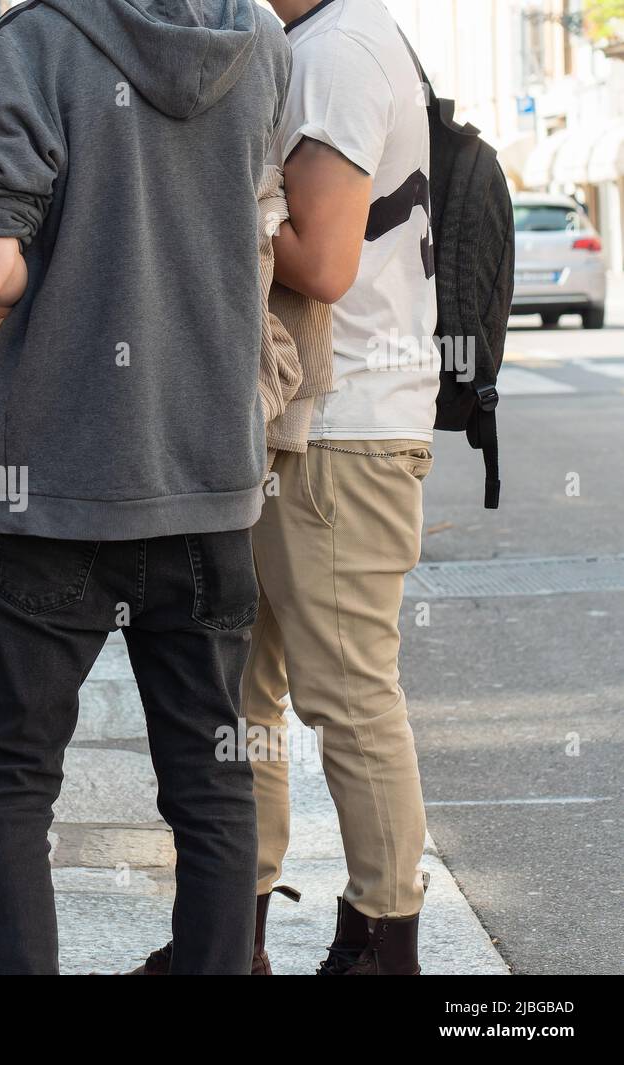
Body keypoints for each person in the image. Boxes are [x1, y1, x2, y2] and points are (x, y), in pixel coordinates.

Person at [0, 0, 290, 974]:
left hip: (55, 472)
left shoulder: (32, 38)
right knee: (212, 779)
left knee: (13, 777)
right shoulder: (258, 39)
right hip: (207, 469)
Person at [246, 0, 439, 975]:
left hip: (347, 424)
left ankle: (381, 944)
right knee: (239, 694)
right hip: (295, 417)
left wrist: (191, 201)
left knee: (346, 693)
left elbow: (322, 263)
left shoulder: (337, 49)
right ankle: (226, 937)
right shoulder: (311, 42)